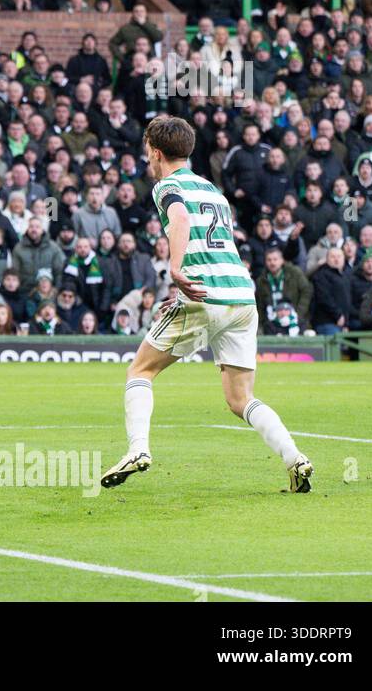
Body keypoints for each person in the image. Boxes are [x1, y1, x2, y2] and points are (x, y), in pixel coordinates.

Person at [100, 117, 313, 493]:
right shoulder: (212, 190)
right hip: (241, 296)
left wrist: (176, 270)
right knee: (240, 399)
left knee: (140, 371)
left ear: (156, 152)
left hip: (204, 295)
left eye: (147, 150)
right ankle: (294, 459)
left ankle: (138, 450)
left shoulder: (166, 185)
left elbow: (181, 217)